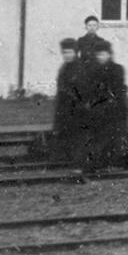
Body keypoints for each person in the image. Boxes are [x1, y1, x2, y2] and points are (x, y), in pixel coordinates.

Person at [83, 39, 128, 172]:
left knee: (117, 138)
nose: (101, 57)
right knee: (99, 139)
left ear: (109, 54)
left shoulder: (117, 69)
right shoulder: (92, 70)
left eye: (103, 54)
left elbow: (119, 89)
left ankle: (118, 162)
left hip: (115, 109)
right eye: (98, 55)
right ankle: (99, 164)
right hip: (99, 109)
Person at [53, 38, 88, 173]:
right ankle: (69, 162)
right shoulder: (64, 68)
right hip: (64, 109)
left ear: (75, 52)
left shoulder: (80, 68)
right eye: (64, 52)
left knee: (78, 137)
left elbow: (83, 91)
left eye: (69, 52)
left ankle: (79, 165)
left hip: (78, 109)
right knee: (66, 136)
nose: (67, 55)